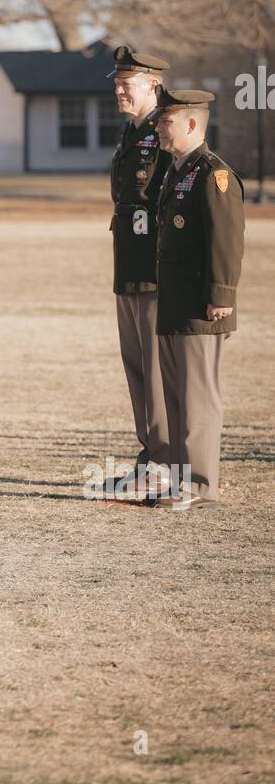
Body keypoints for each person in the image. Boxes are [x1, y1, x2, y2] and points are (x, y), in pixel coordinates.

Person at [154, 86, 245, 511]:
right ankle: (179, 478)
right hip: (175, 302)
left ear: (192, 124)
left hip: (200, 305)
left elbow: (225, 238)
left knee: (199, 397)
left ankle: (201, 483)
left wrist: (221, 294)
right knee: (176, 397)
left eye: (165, 120)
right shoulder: (176, 170)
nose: (158, 127)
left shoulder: (213, 174)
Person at [109, 45, 173, 499]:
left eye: (126, 83)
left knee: (156, 371)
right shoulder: (131, 132)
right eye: (116, 81)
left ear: (151, 82)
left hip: (155, 269)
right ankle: (149, 458)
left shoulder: (166, 130)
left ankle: (167, 464)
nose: (118, 89)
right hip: (127, 266)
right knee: (136, 369)